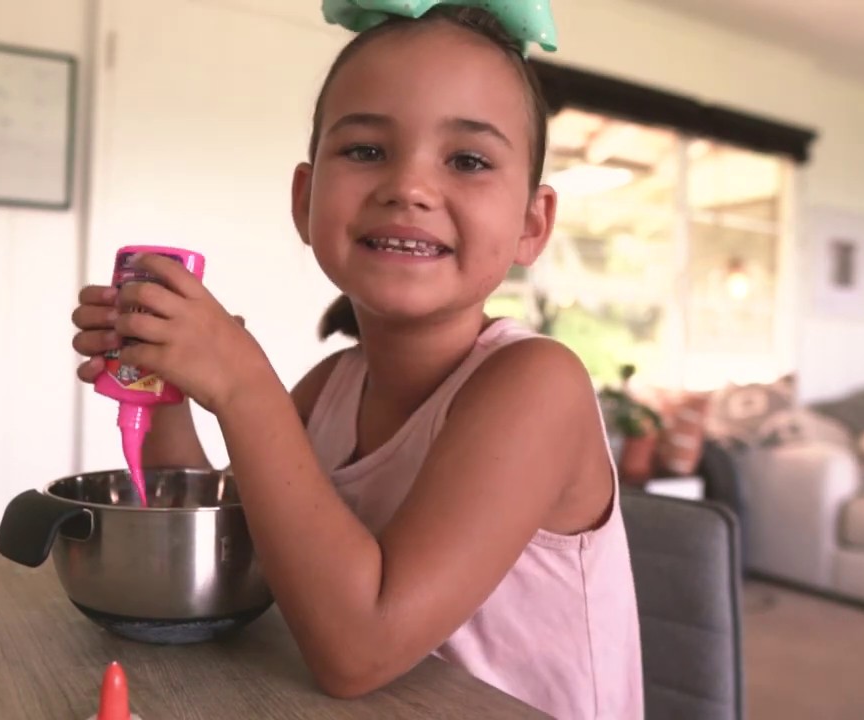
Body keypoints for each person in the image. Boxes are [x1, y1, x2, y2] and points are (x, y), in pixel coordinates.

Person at [69, 2, 643, 717]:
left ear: (533, 224)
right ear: (305, 199)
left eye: (467, 160)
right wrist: (167, 388)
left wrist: (244, 386)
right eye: (367, 150)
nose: (409, 187)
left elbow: (358, 648)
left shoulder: (537, 386)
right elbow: (239, 558)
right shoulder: (332, 388)